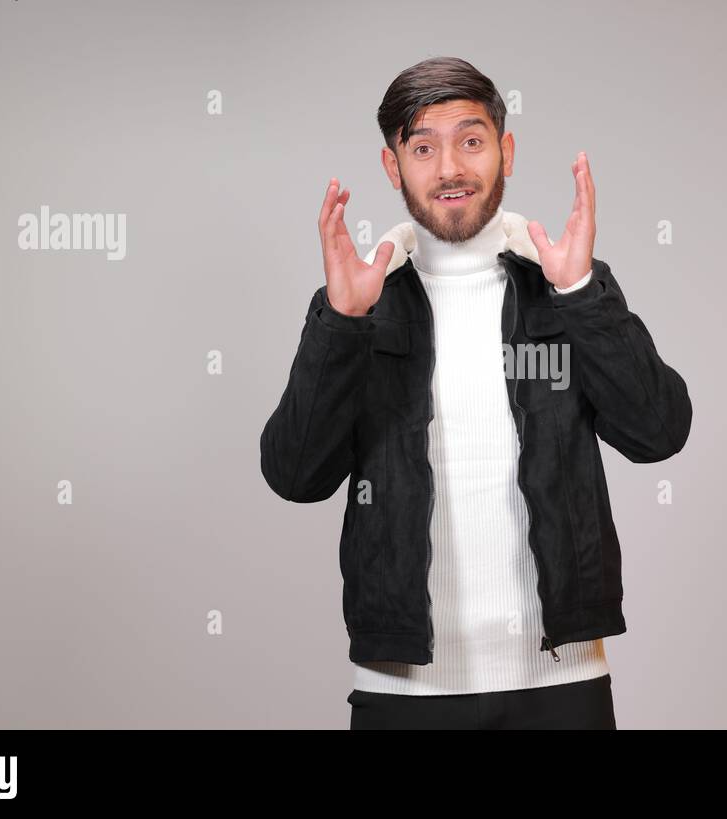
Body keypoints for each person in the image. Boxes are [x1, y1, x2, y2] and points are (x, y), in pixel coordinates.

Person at [260, 57, 692, 729]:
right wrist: (341, 326)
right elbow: (295, 475)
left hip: (563, 685)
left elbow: (659, 432)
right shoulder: (365, 304)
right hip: (403, 694)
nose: (449, 168)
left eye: (471, 140)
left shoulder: (562, 287)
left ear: (505, 150)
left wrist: (583, 297)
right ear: (392, 166)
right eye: (423, 147)